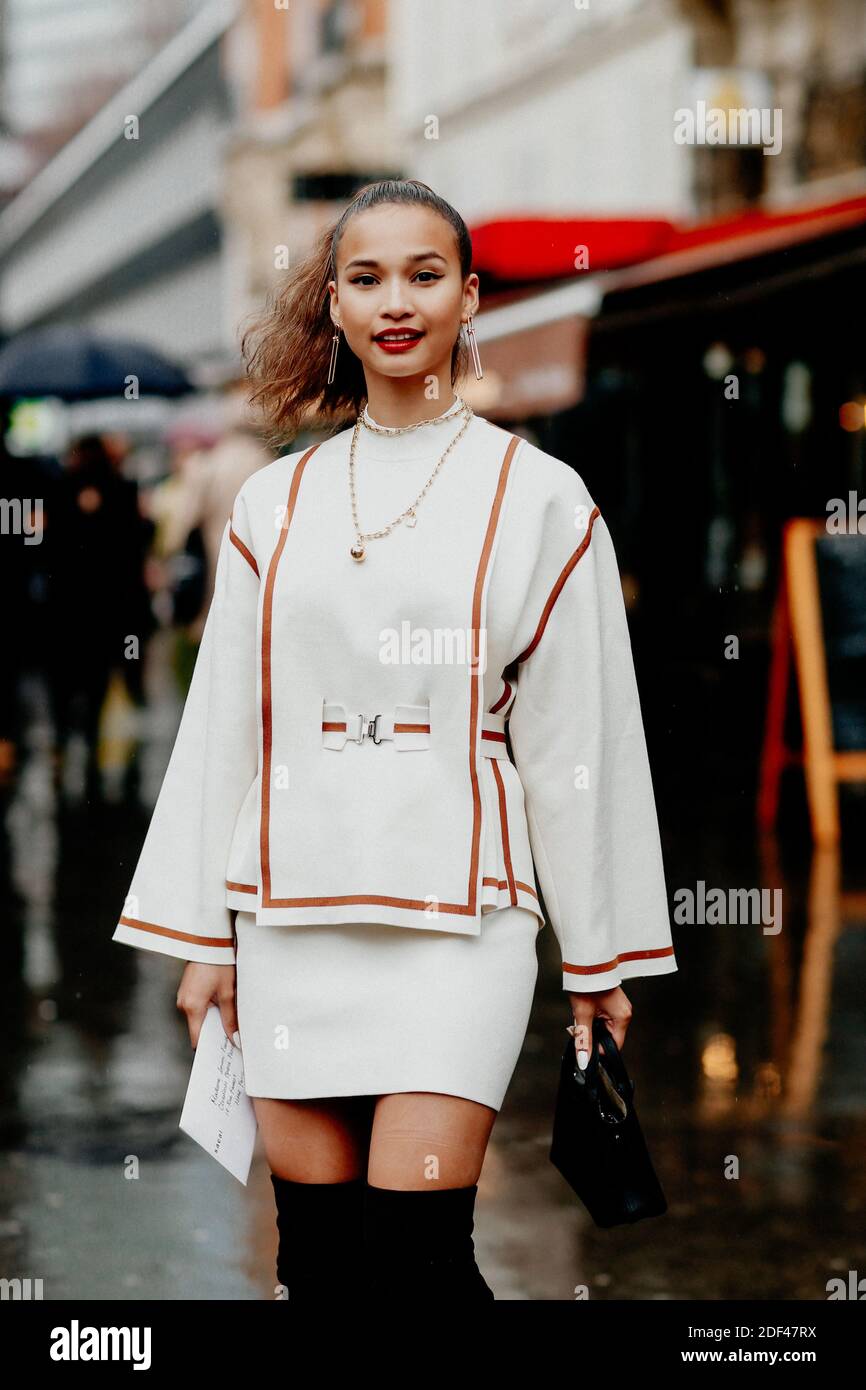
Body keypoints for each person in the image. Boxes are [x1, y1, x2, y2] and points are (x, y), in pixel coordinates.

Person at [111, 178, 677, 1302]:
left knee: (418, 1259)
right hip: (288, 914)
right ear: (331, 304)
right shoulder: (272, 504)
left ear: (469, 298)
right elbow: (227, 724)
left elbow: (579, 738)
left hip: (455, 924)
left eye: (424, 275)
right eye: (365, 278)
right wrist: (205, 938)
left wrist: (595, 953)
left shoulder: (542, 498)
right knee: (318, 1263)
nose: (395, 301)